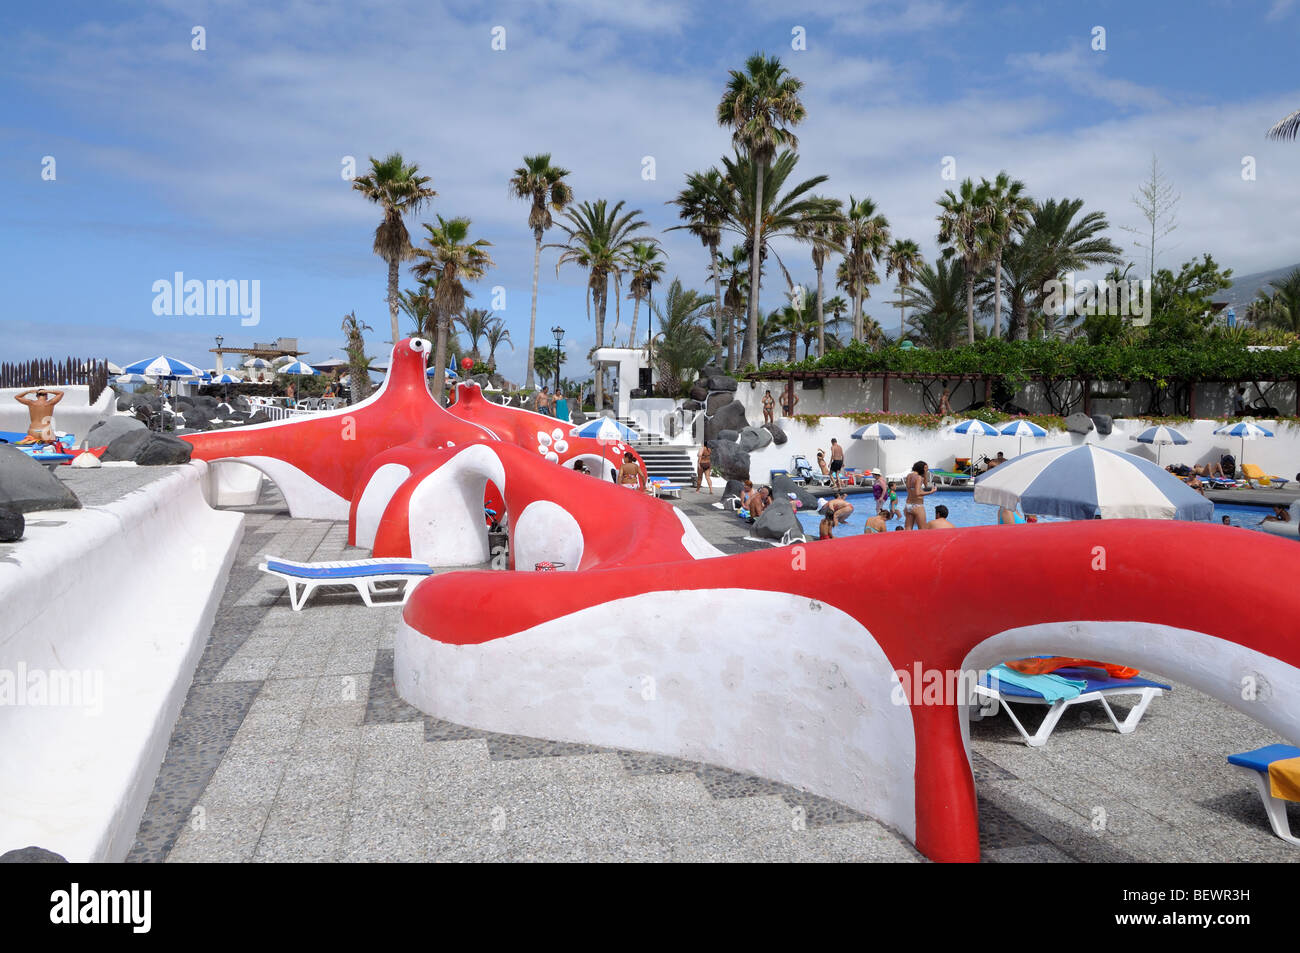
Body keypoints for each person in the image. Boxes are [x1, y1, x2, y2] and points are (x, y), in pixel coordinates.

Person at [904, 460, 937, 530]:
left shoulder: (909, 476)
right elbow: (917, 493)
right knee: (923, 530)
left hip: (908, 505)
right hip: (917, 506)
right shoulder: (918, 477)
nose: (927, 470)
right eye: (926, 469)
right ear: (922, 468)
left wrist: (924, 473)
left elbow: (925, 485)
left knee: (908, 529)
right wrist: (931, 492)